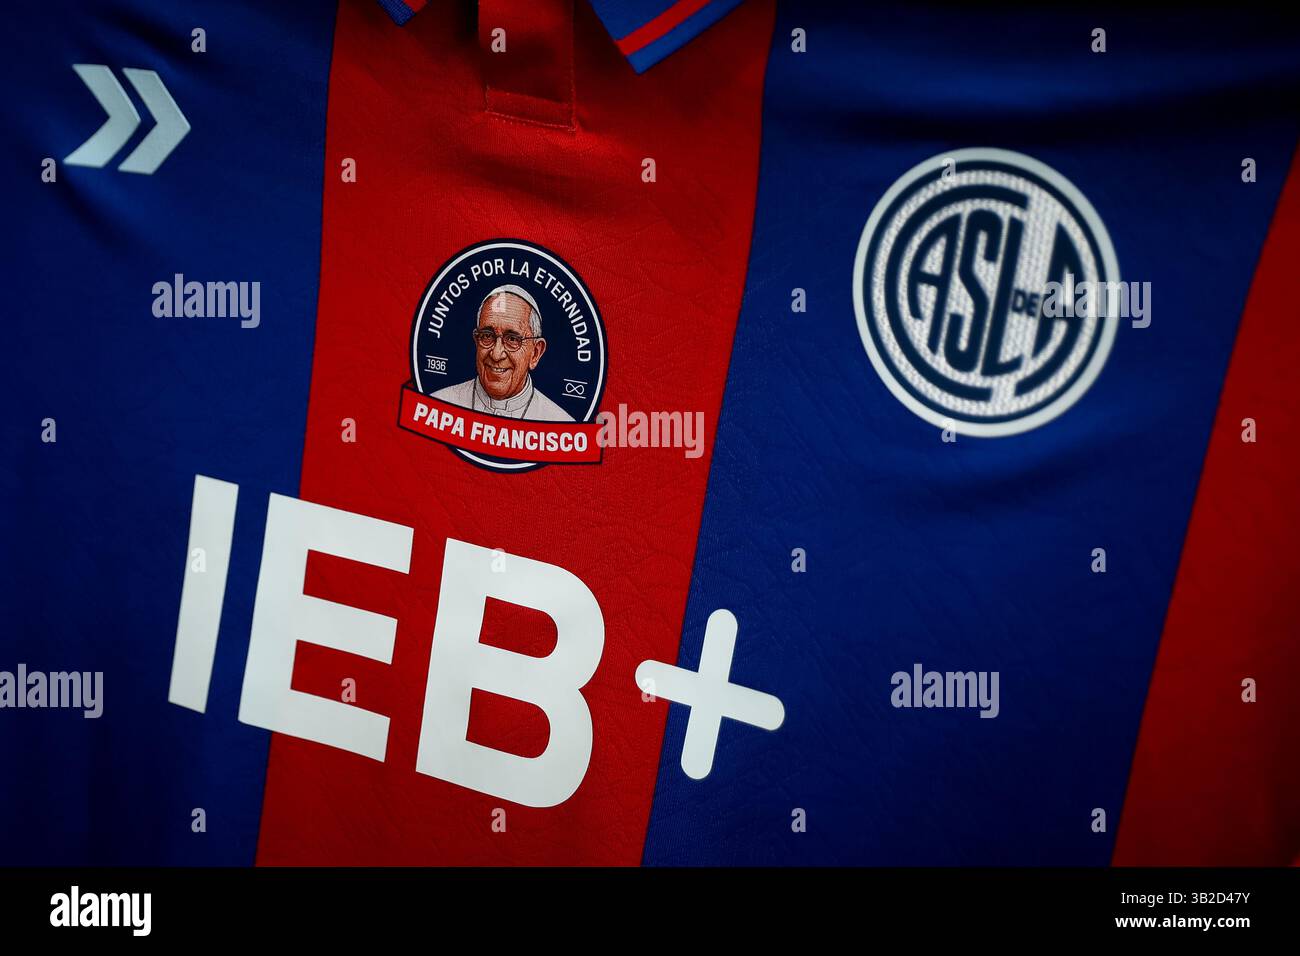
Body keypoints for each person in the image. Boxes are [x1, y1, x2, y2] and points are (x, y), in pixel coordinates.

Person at [432, 284, 574, 422]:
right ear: (476, 341)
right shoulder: (438, 405)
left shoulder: (560, 423)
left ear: (535, 353)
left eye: (512, 339)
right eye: (487, 336)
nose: (496, 354)